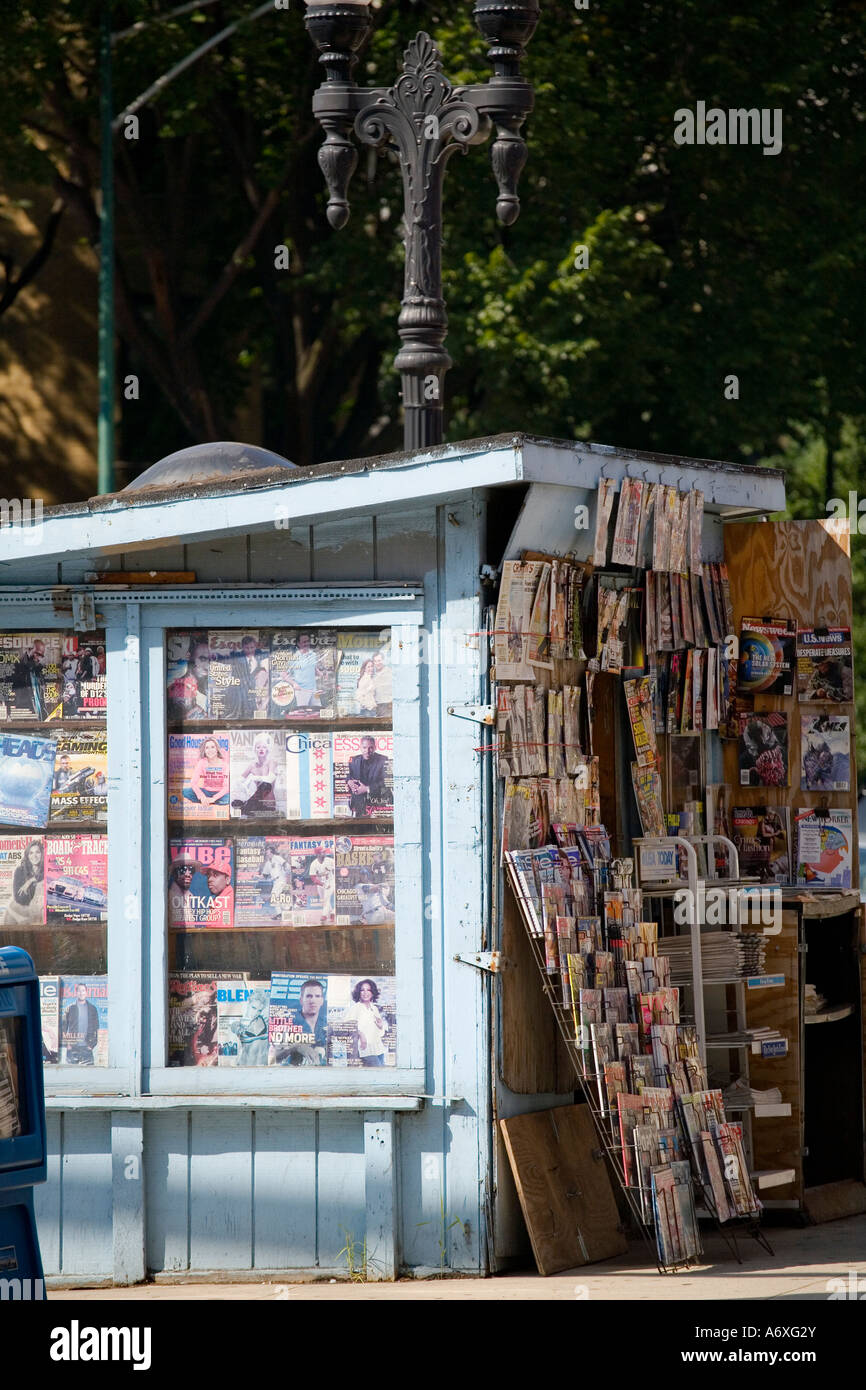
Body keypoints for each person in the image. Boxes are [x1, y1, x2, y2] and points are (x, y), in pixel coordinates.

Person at [231, 734, 277, 817]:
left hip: (268, 804)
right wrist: (244, 788)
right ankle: (244, 805)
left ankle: (244, 807)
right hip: (255, 802)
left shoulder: (271, 762)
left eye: (264, 747)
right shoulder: (252, 765)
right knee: (236, 802)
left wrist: (254, 778)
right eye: (258, 747)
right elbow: (238, 781)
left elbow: (270, 779)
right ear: (255, 749)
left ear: (268, 749)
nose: (261, 749)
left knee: (265, 785)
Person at [344, 979, 387, 1066]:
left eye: (368, 990)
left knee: (382, 1074)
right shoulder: (356, 1008)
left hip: (378, 1048)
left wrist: (380, 1026)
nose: (365, 992)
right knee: (377, 1073)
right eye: (362, 990)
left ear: (372, 992)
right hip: (365, 1048)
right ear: (358, 993)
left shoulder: (374, 1008)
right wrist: (360, 1034)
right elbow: (346, 1027)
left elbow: (380, 1033)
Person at [346, 734, 389, 817]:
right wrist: (349, 781)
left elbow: (387, 781)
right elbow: (349, 775)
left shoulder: (384, 760)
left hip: (377, 803)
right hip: (358, 803)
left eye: (371, 747)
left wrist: (367, 789)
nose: (367, 751)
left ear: (375, 747)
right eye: (364, 747)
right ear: (360, 747)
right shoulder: (353, 759)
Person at [4, 840, 45, 925]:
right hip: (15, 913)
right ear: (27, 855)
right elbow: (18, 898)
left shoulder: (46, 868)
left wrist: (30, 881)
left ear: (42, 854)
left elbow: (48, 874)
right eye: (31, 853)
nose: (34, 856)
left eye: (37, 852)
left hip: (35, 916)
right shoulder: (20, 870)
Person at [184, 737, 229, 809]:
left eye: (212, 747)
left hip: (220, 794)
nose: (210, 750)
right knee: (185, 791)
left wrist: (214, 798)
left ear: (217, 749)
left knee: (228, 798)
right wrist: (202, 796)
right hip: (206, 792)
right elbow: (193, 782)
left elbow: (226, 787)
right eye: (207, 748)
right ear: (204, 750)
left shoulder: (224, 765)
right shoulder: (202, 762)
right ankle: (206, 801)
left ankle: (211, 801)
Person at [62, 982, 99, 1065]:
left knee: (89, 1075)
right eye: (79, 991)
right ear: (76, 993)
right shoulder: (70, 1008)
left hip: (87, 1048)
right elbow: (63, 1028)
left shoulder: (92, 1009)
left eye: (83, 991)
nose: (81, 993)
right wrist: (67, 1044)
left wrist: (91, 1045)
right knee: (70, 1074)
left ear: (86, 992)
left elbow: (96, 1029)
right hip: (72, 1048)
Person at [288, 980, 327, 1051]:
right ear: (301, 1000)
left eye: (317, 996)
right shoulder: (289, 1022)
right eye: (309, 996)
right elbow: (273, 1055)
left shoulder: (327, 1024)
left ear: (322, 1001)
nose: (313, 1001)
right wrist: (296, 1047)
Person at [372, 649, 392, 717]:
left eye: (379, 660)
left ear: (383, 660)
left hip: (387, 705)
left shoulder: (389, 672)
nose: (377, 663)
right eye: (375, 661)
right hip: (377, 706)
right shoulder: (373, 674)